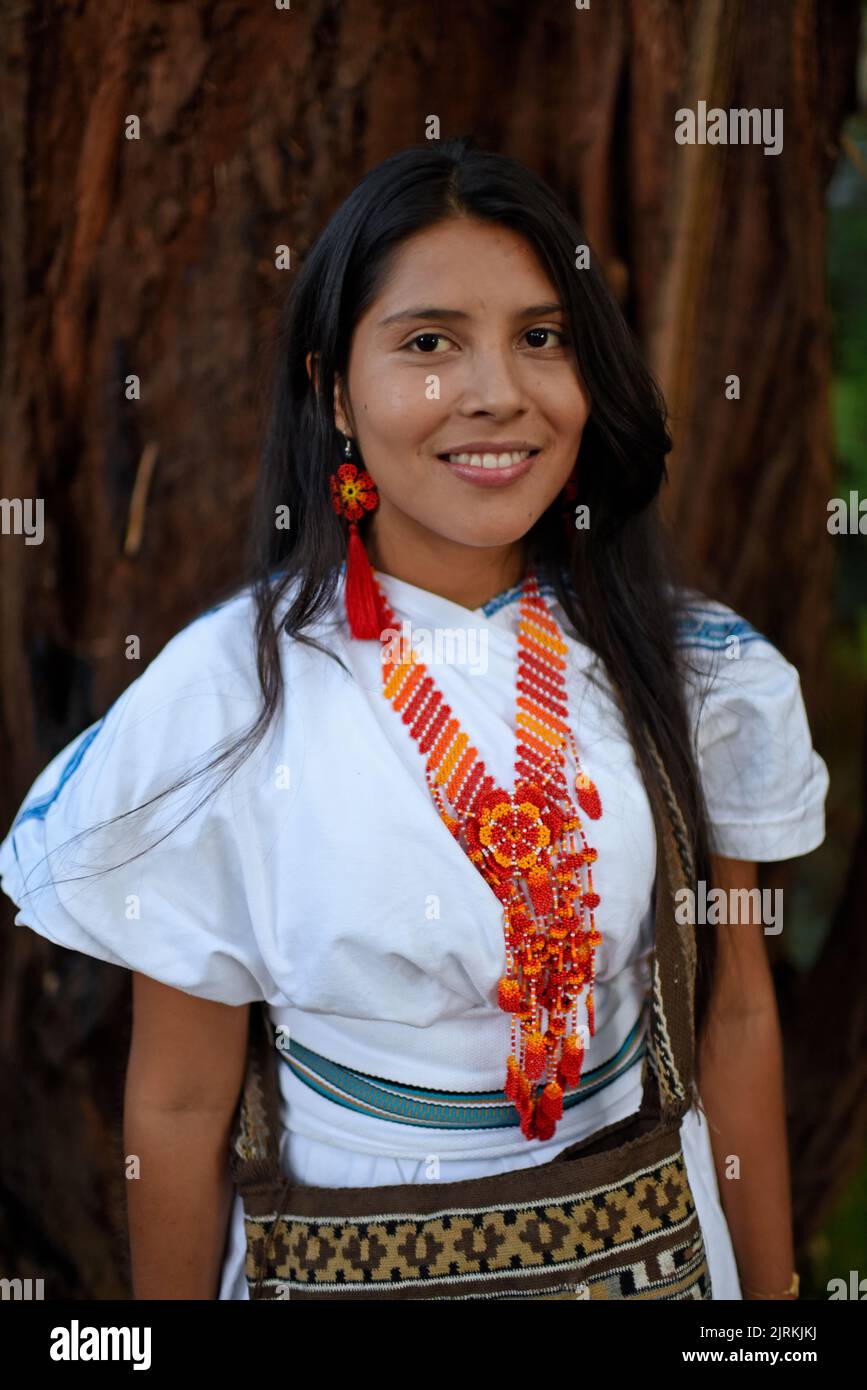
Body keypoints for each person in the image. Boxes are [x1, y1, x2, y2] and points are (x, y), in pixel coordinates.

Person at [0, 137, 828, 1301]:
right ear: (336, 392)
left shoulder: (682, 665)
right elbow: (180, 1102)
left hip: (649, 1257)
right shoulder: (227, 702)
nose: (498, 390)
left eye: (542, 337)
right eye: (429, 342)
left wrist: (778, 1307)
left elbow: (735, 1010)